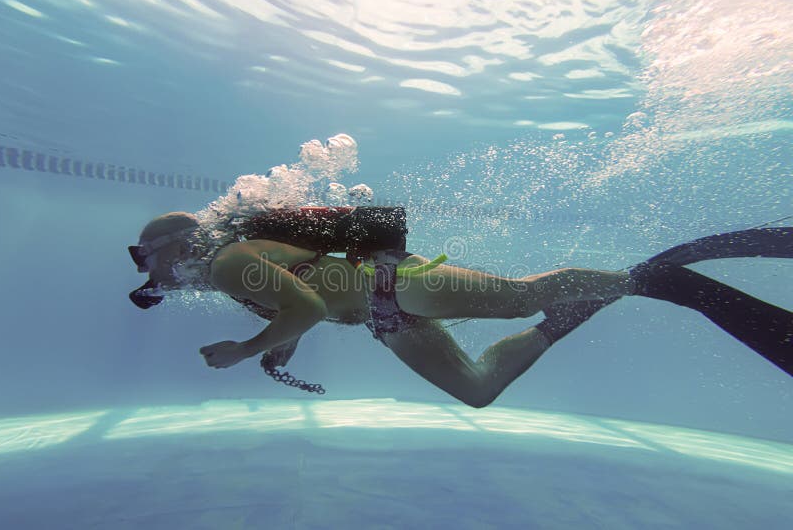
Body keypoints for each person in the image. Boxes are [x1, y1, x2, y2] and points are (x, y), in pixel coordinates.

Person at [128, 210, 792, 408]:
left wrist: (245, 351)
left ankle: (636, 278)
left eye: (142, 255)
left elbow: (299, 303)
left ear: (172, 246)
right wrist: (283, 337)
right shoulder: (226, 273)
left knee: (517, 297)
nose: (146, 271)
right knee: (477, 390)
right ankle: (563, 321)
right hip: (385, 322)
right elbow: (300, 301)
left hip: (396, 286)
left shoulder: (223, 261)